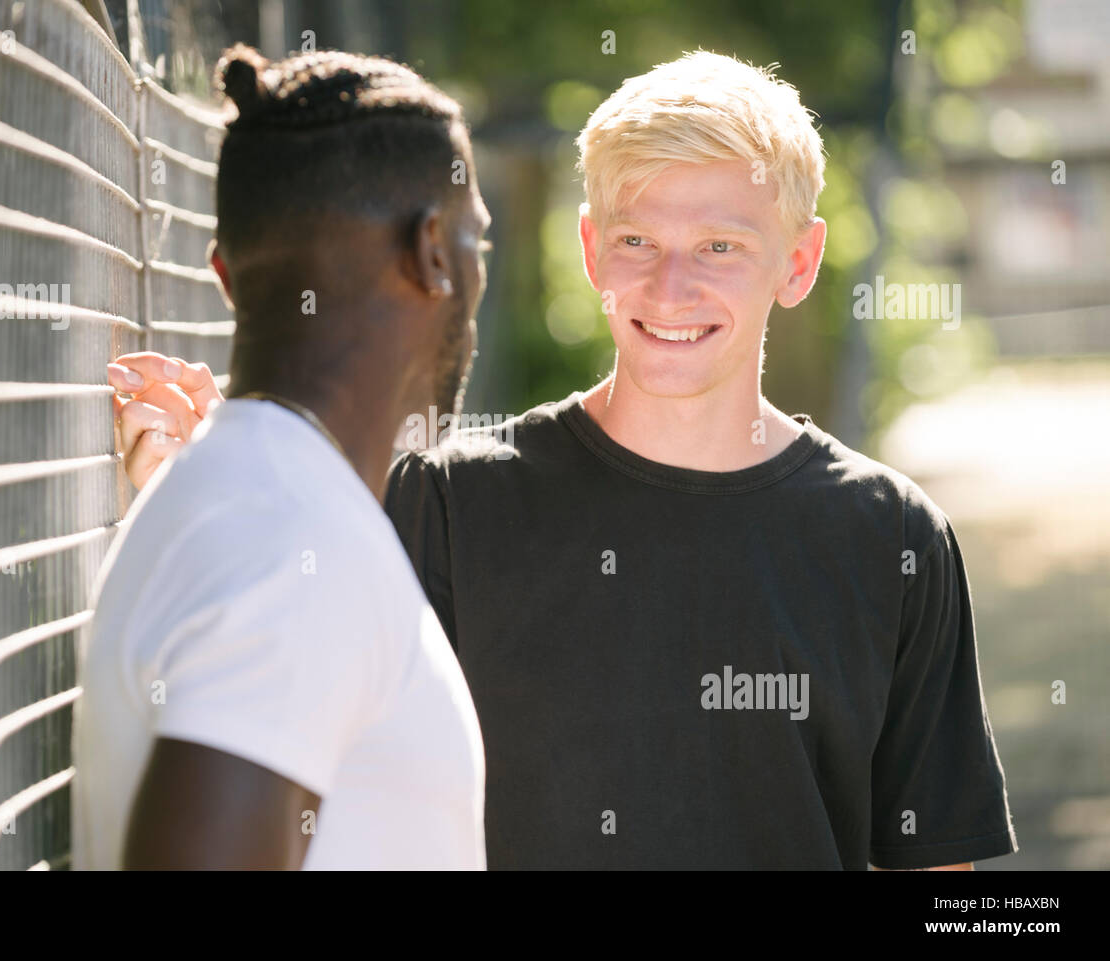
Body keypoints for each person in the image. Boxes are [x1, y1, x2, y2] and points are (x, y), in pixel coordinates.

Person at [110, 51, 1017, 870]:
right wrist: (199, 486)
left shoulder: (893, 537)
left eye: (720, 247)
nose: (671, 287)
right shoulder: (447, 502)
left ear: (800, 260)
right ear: (590, 249)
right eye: (638, 242)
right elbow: (290, 682)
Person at [72, 43, 493, 869]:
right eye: (479, 239)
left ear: (227, 277)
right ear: (434, 250)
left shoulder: (260, 505)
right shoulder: (290, 543)